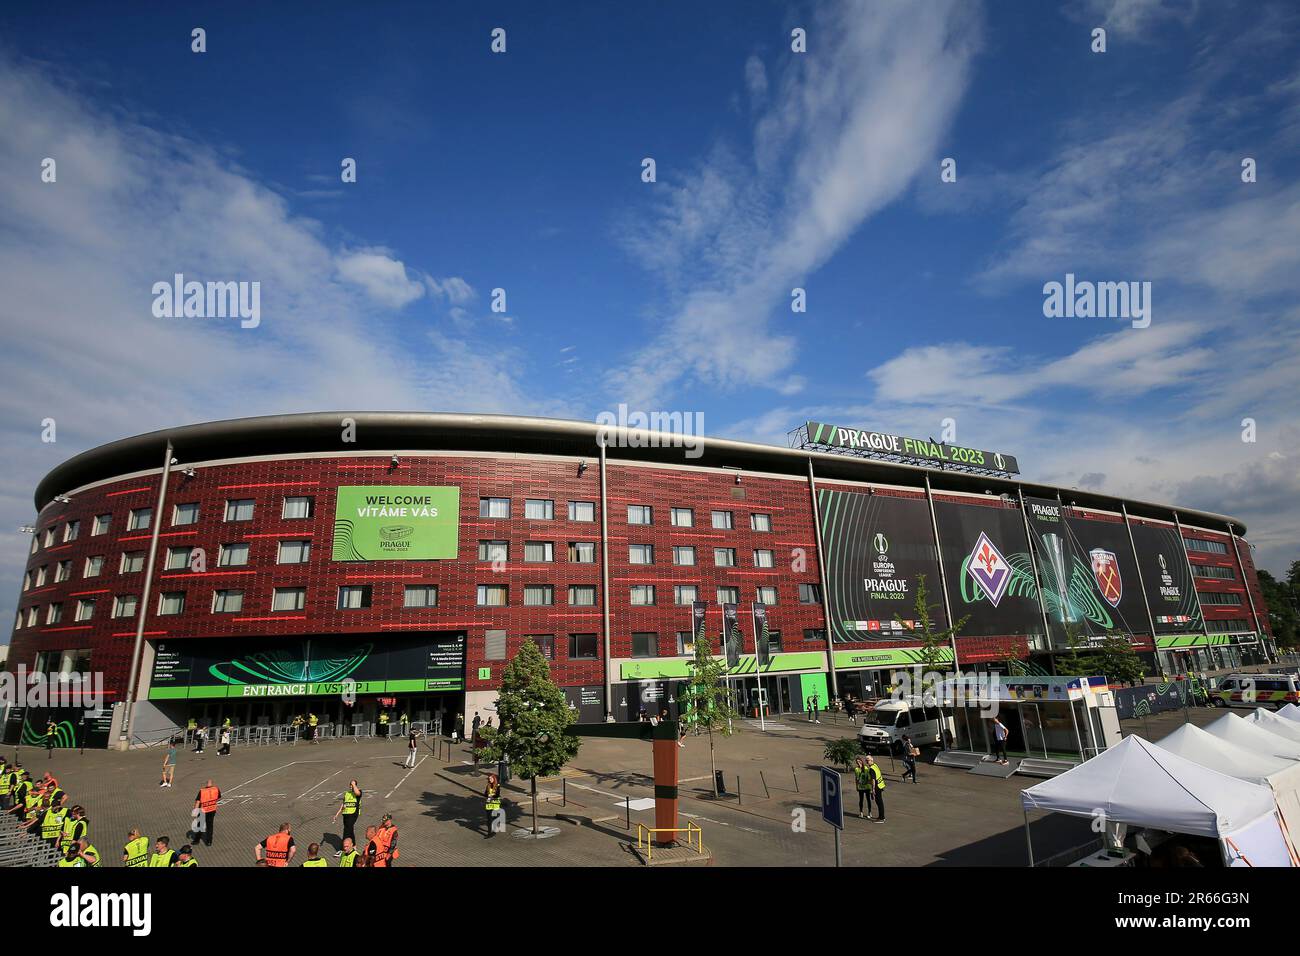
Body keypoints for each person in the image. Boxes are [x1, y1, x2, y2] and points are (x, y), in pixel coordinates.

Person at [332, 779, 362, 848]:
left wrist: (354, 784)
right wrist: (337, 814)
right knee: (349, 829)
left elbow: (357, 793)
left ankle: (343, 848)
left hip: (353, 814)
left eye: (352, 785)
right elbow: (343, 804)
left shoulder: (358, 792)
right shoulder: (347, 793)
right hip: (346, 814)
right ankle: (354, 846)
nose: (351, 786)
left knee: (346, 830)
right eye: (350, 785)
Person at [194, 779, 220, 847]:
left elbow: (198, 801)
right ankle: (209, 841)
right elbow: (218, 797)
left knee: (200, 826)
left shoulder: (202, 791)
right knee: (210, 826)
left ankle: (196, 840)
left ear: (206, 784)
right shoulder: (216, 789)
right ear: (212, 784)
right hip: (212, 810)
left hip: (203, 811)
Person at [864, 756, 886, 823]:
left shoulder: (871, 769)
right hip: (881, 785)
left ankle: (881, 818)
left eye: (868, 760)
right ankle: (881, 816)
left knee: (879, 802)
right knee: (879, 802)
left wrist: (873, 789)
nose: (867, 761)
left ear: (871, 760)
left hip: (877, 787)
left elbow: (873, 780)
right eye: (866, 760)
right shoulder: (875, 765)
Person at [484, 772, 502, 839]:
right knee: (489, 819)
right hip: (489, 803)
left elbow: (497, 794)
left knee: (494, 817)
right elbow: (485, 794)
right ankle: (489, 833)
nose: (490, 779)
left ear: (494, 779)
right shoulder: (488, 785)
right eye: (489, 778)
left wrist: (492, 795)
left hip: (495, 803)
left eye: (491, 778)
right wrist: (487, 795)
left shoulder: (497, 785)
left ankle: (497, 822)